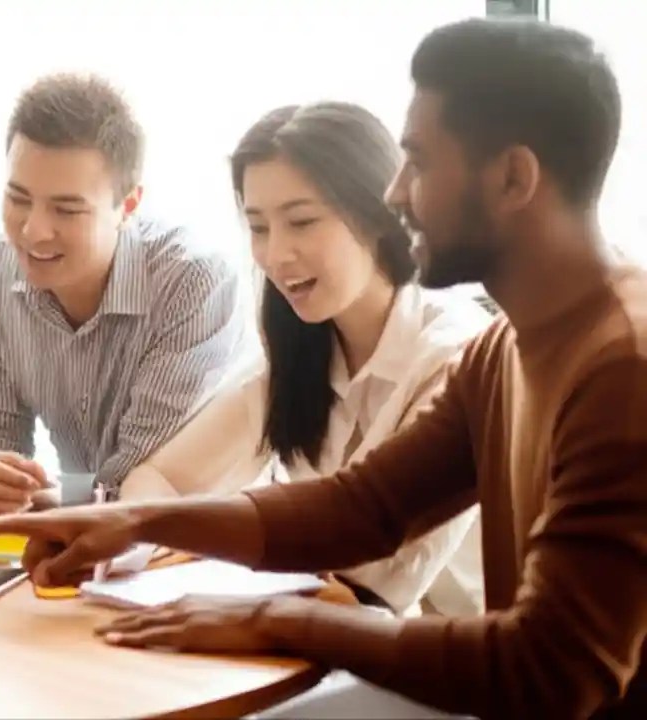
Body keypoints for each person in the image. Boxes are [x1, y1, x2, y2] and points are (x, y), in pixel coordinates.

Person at [0, 18, 646, 720]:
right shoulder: (504, 350)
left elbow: (553, 673)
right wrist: (135, 520)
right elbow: (364, 509)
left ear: (513, 178)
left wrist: (281, 621)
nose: (395, 194)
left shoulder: (622, 369)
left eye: (419, 162)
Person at [120, 102, 489, 617]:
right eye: (259, 227)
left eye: (301, 221)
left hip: (465, 669)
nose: (276, 255)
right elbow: (157, 483)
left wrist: (206, 547)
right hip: (347, 652)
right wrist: (131, 544)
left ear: (376, 213)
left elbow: (376, 583)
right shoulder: (301, 353)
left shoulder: (455, 352)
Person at [0, 72, 251, 516]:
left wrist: (51, 496)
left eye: (66, 209)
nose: (33, 230)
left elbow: (144, 483)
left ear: (127, 206)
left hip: (197, 544)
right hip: (89, 544)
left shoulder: (193, 282)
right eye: (18, 198)